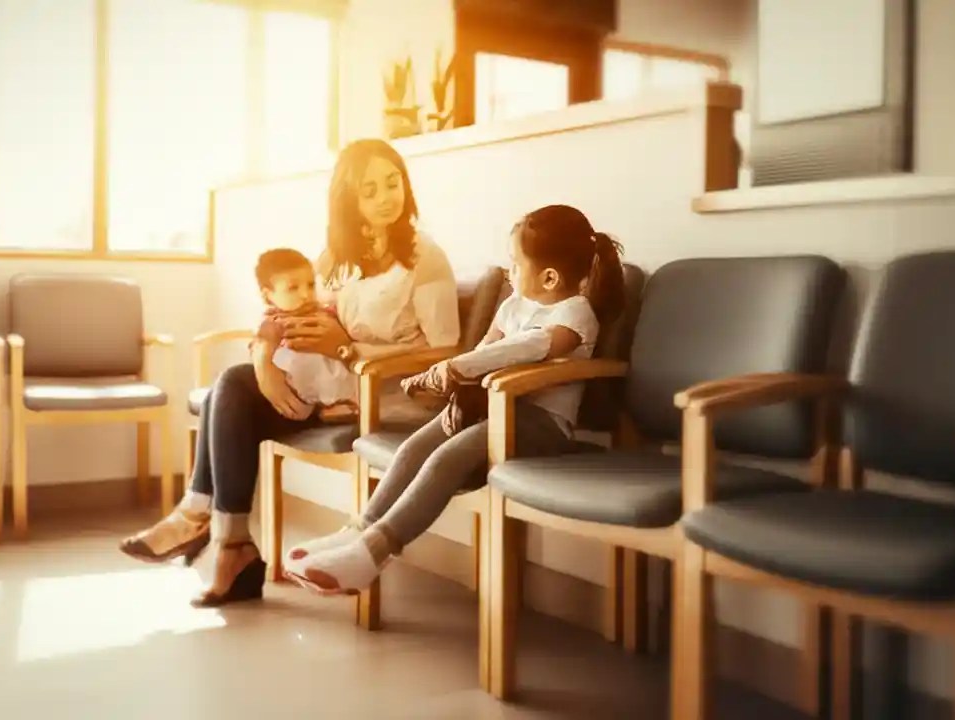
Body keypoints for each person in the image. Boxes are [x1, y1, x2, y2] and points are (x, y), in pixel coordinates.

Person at [118, 139, 460, 607]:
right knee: (234, 385)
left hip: (382, 395)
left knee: (229, 391)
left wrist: (345, 347)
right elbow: (285, 310)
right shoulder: (337, 254)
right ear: (348, 199)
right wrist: (264, 362)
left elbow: (446, 350)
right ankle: (226, 539)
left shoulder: (425, 258)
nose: (386, 197)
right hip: (323, 389)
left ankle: (215, 532)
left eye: (393, 182)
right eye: (370, 189)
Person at [284, 204, 626, 594]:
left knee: (448, 457)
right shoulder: (513, 304)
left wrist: (458, 366)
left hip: (542, 424)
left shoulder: (577, 314)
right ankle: (357, 531)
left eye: (515, 264)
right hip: (492, 414)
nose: (508, 272)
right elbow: (486, 349)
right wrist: (451, 386)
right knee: (414, 449)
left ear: (549, 277)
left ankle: (373, 553)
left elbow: (535, 346)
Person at [254, 248, 358, 423]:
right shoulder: (273, 321)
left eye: (310, 285)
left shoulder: (324, 311)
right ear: (268, 295)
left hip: (331, 372)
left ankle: (338, 404)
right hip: (292, 386)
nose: (305, 295)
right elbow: (261, 346)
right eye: (292, 288)